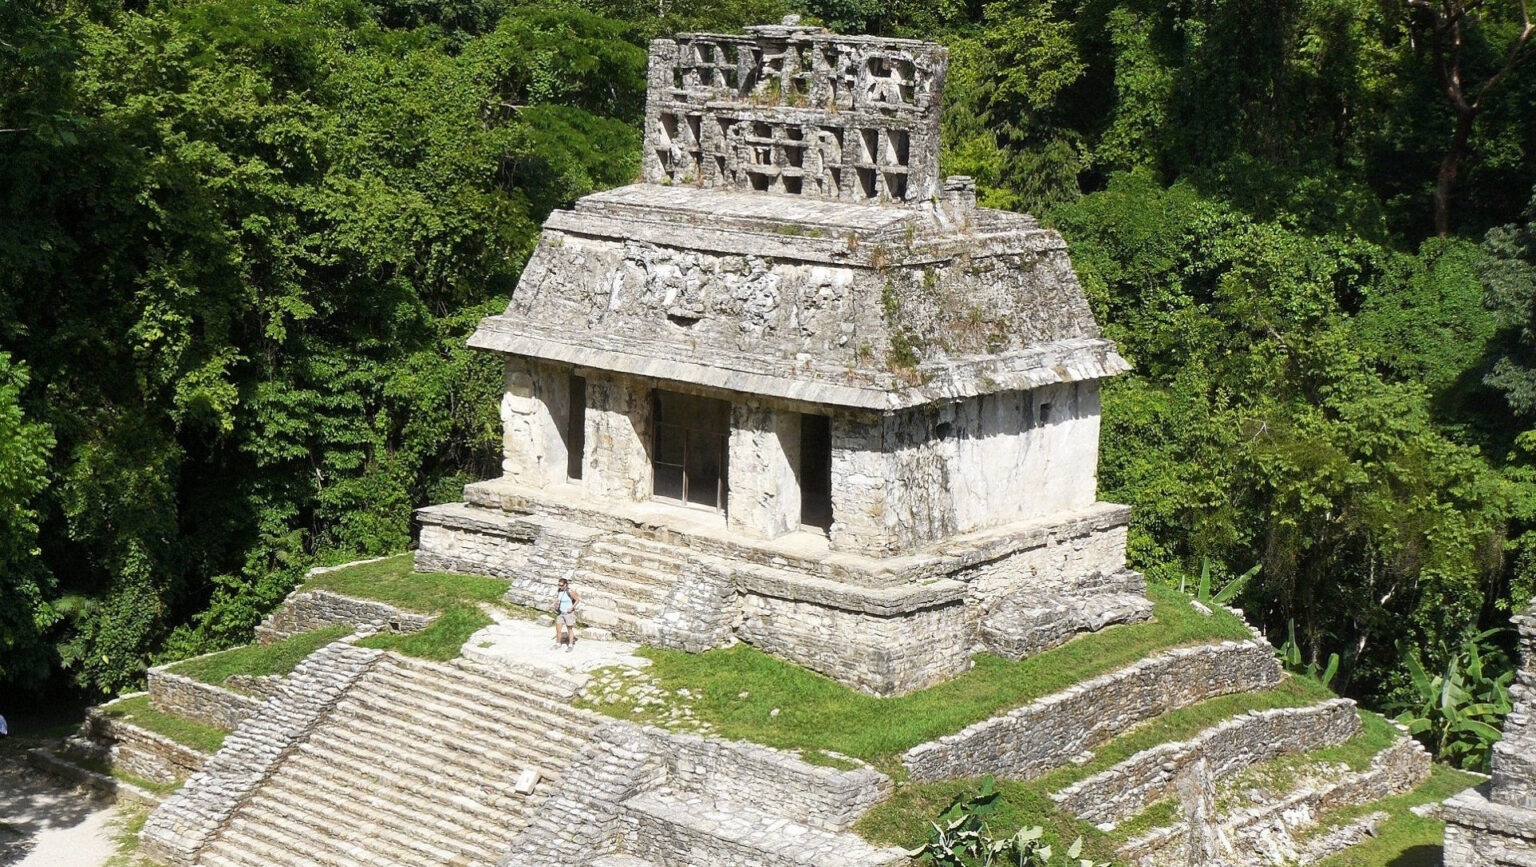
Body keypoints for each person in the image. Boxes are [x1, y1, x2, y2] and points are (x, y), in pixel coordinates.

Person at [554, 577, 580, 652]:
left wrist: (572, 607)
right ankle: (558, 644)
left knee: (569, 629)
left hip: (568, 613)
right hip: (561, 613)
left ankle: (570, 645)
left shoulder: (570, 592)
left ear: (565, 585)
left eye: (561, 585)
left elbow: (577, 600)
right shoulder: (559, 591)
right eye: (559, 585)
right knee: (558, 629)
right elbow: (558, 598)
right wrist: (554, 603)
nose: (560, 586)